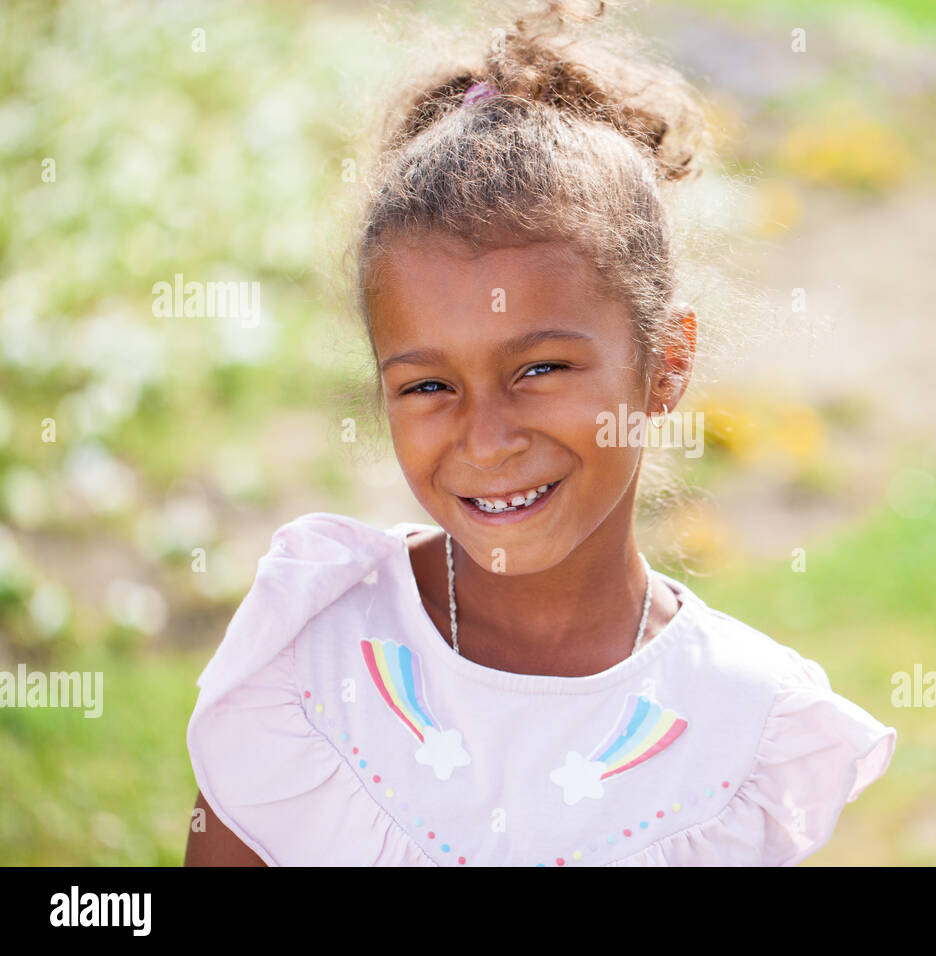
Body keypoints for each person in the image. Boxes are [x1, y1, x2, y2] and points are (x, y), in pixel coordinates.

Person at [185, 0, 895, 867]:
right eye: (430, 385)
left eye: (540, 370)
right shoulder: (311, 661)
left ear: (665, 364)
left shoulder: (741, 735)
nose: (486, 440)